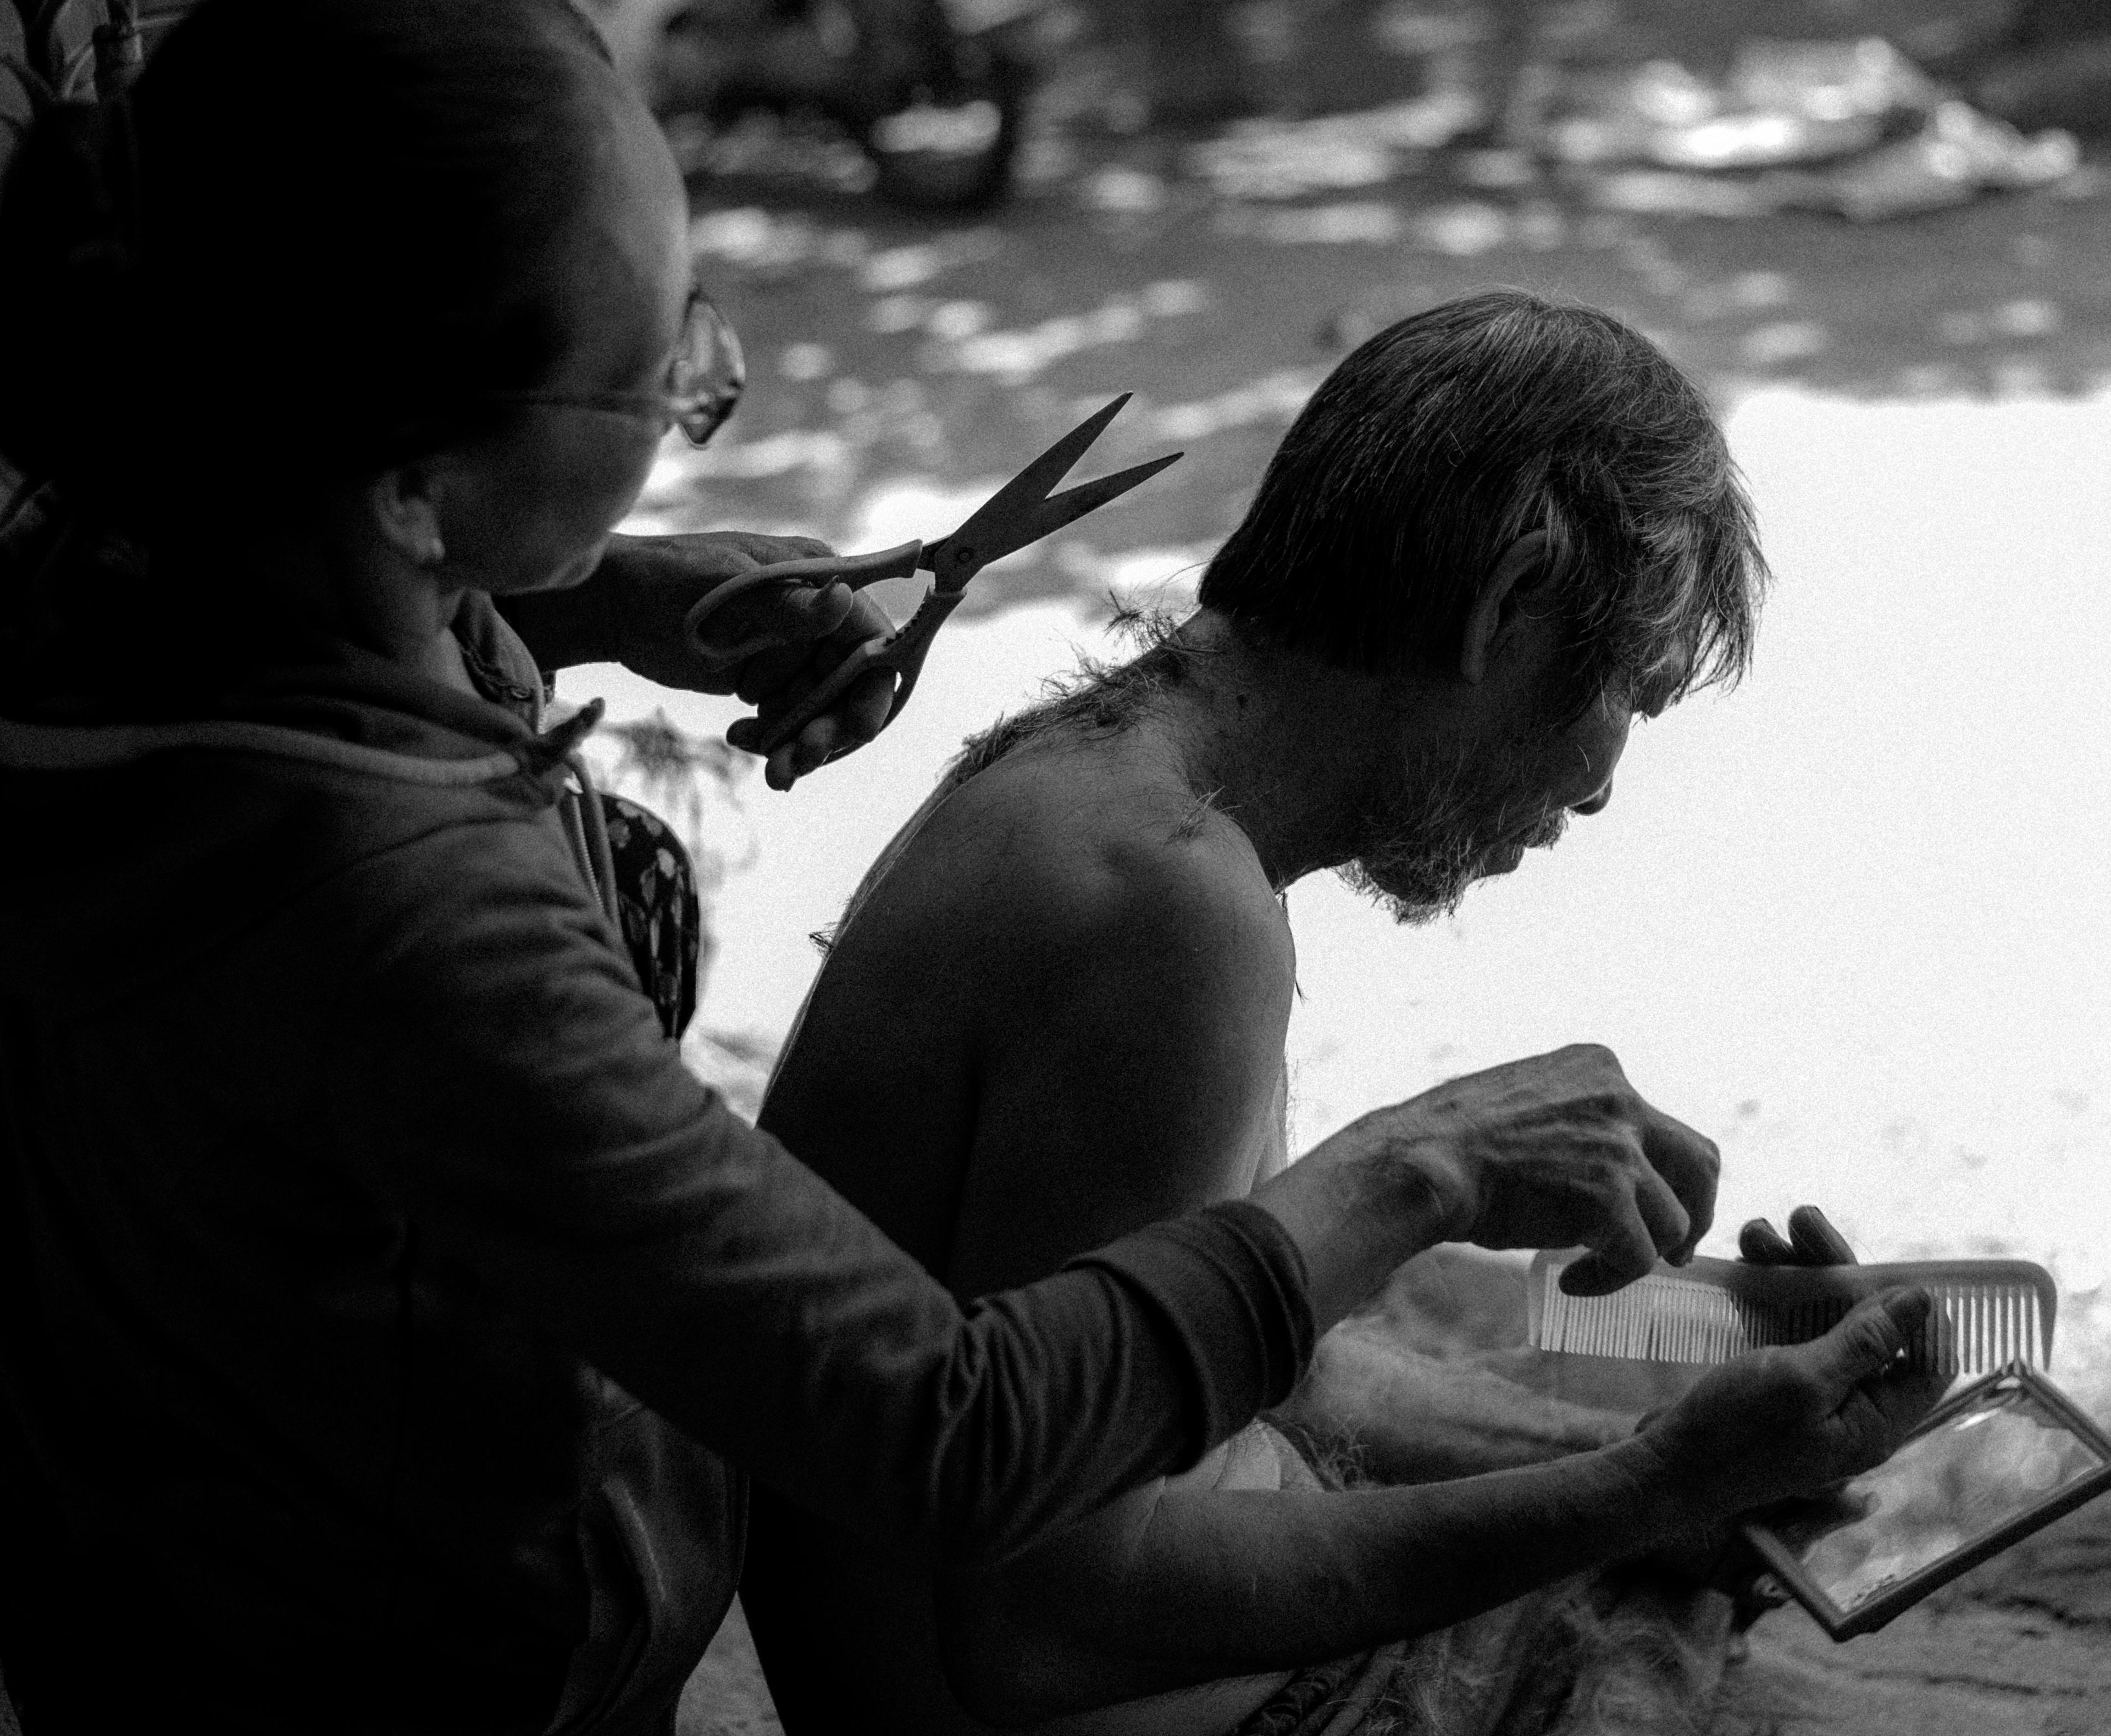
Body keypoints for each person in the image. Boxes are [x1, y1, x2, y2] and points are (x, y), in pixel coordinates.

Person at [0, 7, 1871, 1729]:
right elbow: (967, 1440)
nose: (701, 408)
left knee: (1487, 1359)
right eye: (674, 379)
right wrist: (1441, 1192)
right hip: (401, 1677)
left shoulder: (62, 612)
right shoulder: (406, 922)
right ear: (410, 477)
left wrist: (616, 593)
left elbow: (304, 572)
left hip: (180, 1602)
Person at [745, 291, 1942, 1734]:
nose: (1602, 784)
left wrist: (1657, 1465)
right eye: (1621, 689)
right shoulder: (1164, 907)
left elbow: (1228, 1368)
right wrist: (1636, 1493)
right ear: (1505, 612)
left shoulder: (1104, 784)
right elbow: (1044, 1628)